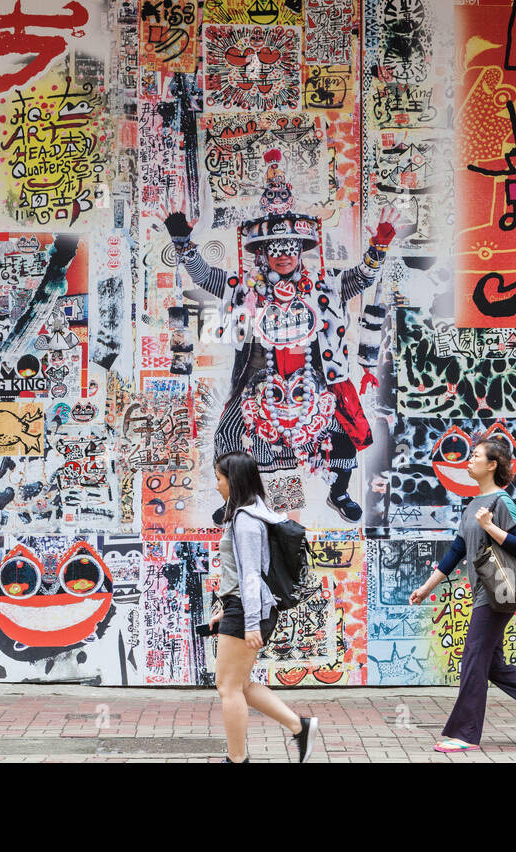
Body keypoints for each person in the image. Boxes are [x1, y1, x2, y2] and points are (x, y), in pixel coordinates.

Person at [164, 150, 396, 524]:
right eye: (276, 250)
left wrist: (378, 248)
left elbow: (361, 279)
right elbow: (204, 276)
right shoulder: (245, 288)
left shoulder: (323, 287)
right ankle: (239, 500)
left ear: (300, 251)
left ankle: (338, 493)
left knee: (343, 433)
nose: (284, 256)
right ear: (265, 254)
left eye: (290, 249)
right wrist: (182, 241)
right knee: (229, 436)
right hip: (259, 386)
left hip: (316, 383)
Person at [408, 435, 516, 752]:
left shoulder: (501, 502)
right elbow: (457, 551)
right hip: (483, 593)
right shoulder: (472, 505)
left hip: (496, 594)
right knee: (493, 664)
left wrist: (491, 527)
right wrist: (428, 586)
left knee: (472, 659)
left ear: (492, 465)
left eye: (476, 455)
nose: (469, 460)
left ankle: (465, 733)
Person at [209, 450, 318, 763]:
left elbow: (252, 576)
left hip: (248, 610)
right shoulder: (253, 513)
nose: (217, 485)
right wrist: (225, 607)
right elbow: (240, 574)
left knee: (227, 687)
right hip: (240, 607)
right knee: (240, 684)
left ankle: (236, 758)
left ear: (234, 480)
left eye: (219, 478)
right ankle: (299, 726)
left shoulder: (246, 520)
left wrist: (251, 622)